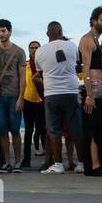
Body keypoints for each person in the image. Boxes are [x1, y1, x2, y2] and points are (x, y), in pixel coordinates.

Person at [34, 21, 81, 175]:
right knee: (75, 128)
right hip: (71, 91)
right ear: (61, 31)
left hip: (52, 93)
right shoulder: (72, 46)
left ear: (47, 34)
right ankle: (81, 163)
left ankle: (58, 164)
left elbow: (40, 72)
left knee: (54, 130)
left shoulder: (39, 52)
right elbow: (76, 63)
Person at [0, 19, 26, 174]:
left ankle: (17, 162)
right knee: (1, 131)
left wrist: (21, 97)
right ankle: (7, 162)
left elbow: (22, 76)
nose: (1, 34)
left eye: (3, 31)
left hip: (14, 95)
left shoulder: (18, 52)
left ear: (10, 31)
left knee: (15, 130)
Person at [79, 7, 102, 176]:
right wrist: (89, 95)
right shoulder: (87, 40)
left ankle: (99, 165)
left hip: (99, 89)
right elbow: (85, 70)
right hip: (91, 89)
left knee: (99, 129)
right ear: (93, 21)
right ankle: (94, 166)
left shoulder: (96, 41)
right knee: (92, 129)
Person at [22, 40, 45, 169]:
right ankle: (26, 159)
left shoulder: (45, 64)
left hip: (42, 100)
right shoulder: (25, 65)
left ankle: (48, 157)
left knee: (42, 129)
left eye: (37, 47)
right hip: (28, 100)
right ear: (28, 50)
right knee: (28, 131)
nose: (34, 49)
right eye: (32, 47)